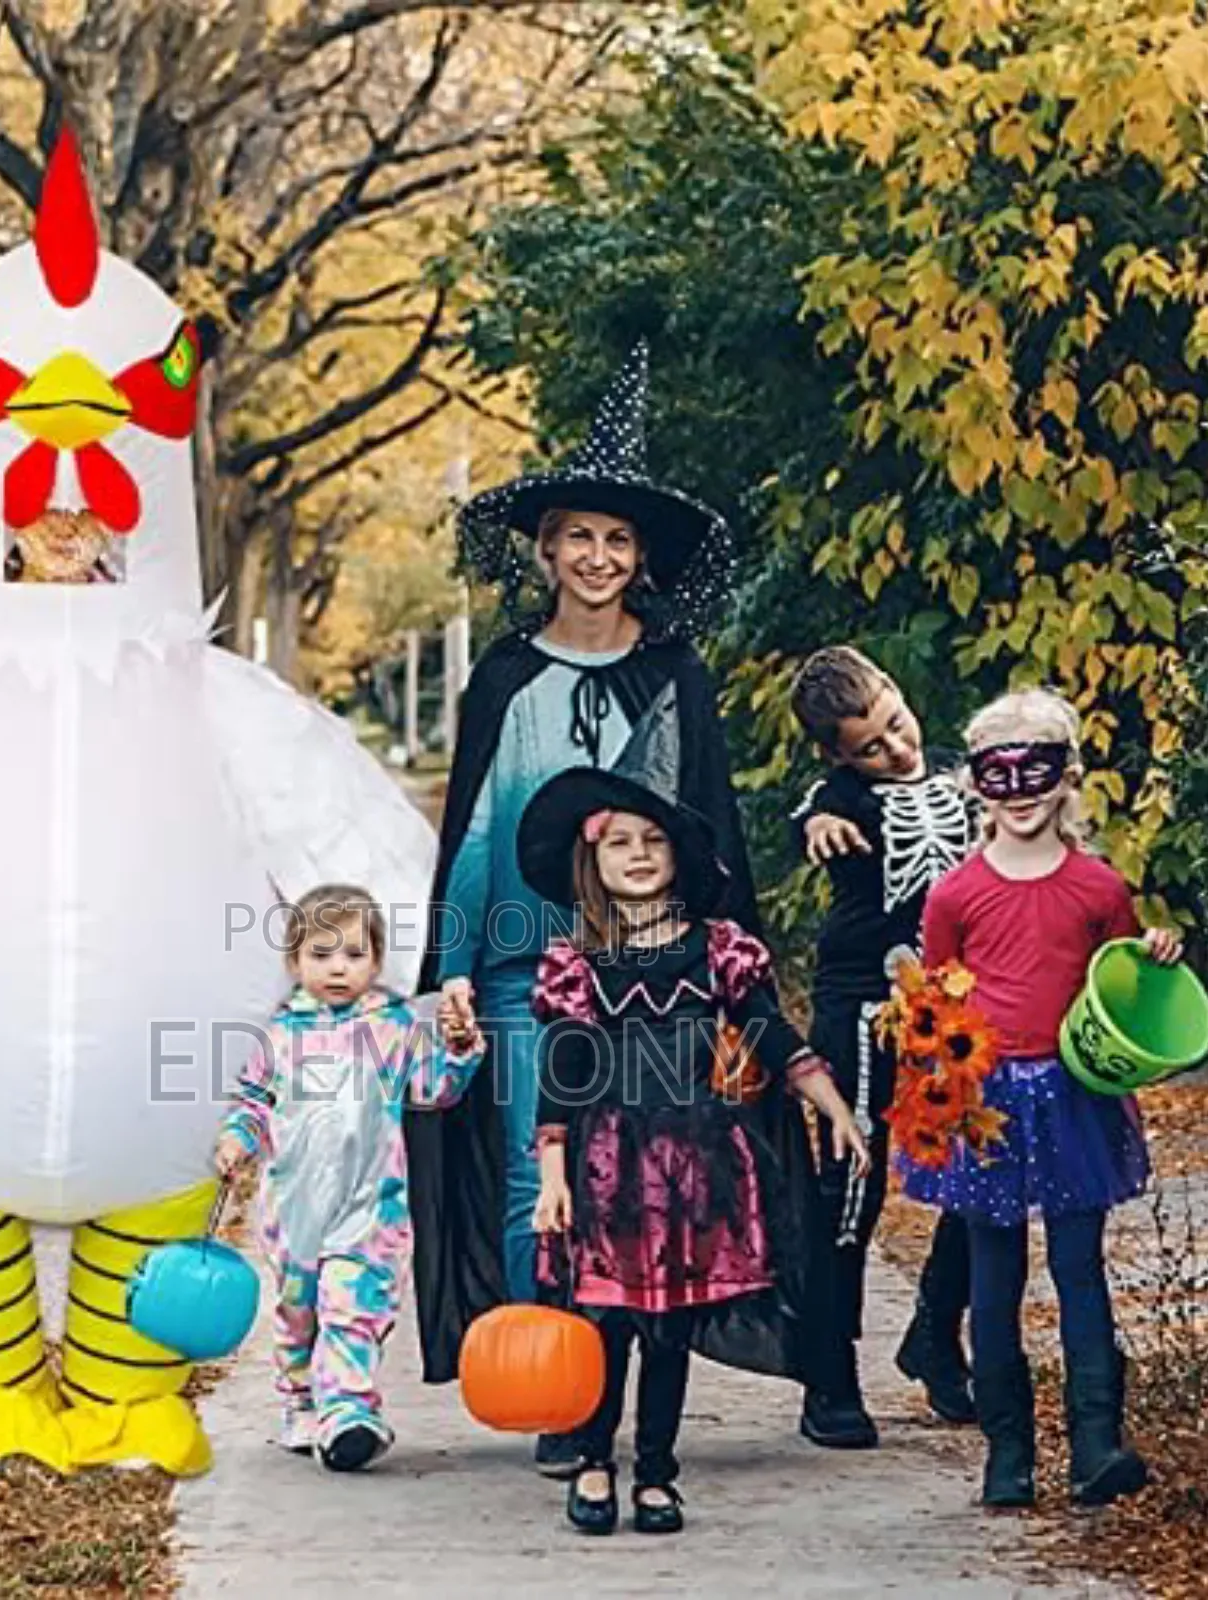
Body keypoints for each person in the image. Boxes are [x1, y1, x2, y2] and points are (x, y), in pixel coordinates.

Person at [408, 345, 763, 1482]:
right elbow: (470, 831)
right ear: (547, 548)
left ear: (638, 557)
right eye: (578, 536)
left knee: (650, 1184)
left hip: (651, 972)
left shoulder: (677, 675)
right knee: (536, 1175)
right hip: (524, 962)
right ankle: (562, 1393)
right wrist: (453, 963)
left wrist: (733, 985)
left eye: (618, 540)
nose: (598, 556)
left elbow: (709, 833)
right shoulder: (507, 674)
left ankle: (636, 1409)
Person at [521, 687, 869, 1535]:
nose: (638, 855)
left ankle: (658, 1473)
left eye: (653, 842)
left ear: (678, 855)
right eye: (621, 844)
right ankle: (596, 1458)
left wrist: (832, 1100)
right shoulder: (579, 962)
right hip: (608, 1163)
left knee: (669, 1326)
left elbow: (767, 1031)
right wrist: (552, 1176)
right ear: (591, 863)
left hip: (696, 1163)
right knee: (606, 1319)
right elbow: (561, 1073)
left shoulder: (717, 950)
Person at [901, 689, 1181, 1508]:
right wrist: (938, 1099)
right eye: (1000, 770)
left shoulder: (1099, 889)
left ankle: (1096, 1444)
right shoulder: (954, 895)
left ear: (1067, 778)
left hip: (1073, 1097)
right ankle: (1008, 1454)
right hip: (986, 1099)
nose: (1020, 788)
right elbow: (937, 1004)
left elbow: (1119, 989)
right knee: (994, 1275)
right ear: (976, 784)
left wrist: (1156, 952)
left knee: (1077, 1267)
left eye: (1038, 768)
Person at [215, 885, 484, 1472]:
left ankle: (350, 1416)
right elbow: (255, 1100)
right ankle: (301, 1398)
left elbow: (434, 1090)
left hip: (371, 1209)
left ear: (377, 960)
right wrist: (238, 1137)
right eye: (321, 954)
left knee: (351, 1308)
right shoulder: (279, 1035)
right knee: (299, 1314)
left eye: (354, 954)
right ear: (294, 961)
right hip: (293, 1209)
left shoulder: (393, 1028)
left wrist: (459, 1051)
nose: (338, 967)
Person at [788, 646, 976, 1448]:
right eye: (870, 746)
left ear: (902, 693)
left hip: (958, 1003)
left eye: (897, 726)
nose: (896, 750)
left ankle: (936, 1329)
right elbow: (811, 814)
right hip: (861, 1005)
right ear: (838, 754)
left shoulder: (959, 774)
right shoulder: (838, 797)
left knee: (984, 1178)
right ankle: (829, 1375)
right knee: (852, 1186)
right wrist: (819, 822)